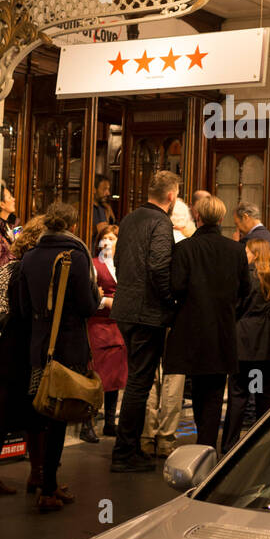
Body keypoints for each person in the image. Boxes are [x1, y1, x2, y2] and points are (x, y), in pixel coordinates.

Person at [17, 200, 100, 511]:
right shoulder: (76, 257)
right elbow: (87, 307)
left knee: (39, 413)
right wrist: (97, 295)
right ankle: (49, 489)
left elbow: (25, 309)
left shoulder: (29, 258)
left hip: (39, 347)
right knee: (59, 417)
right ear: (73, 227)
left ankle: (38, 475)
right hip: (67, 347)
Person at [165, 195, 250, 449]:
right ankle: (206, 446)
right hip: (222, 329)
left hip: (191, 329)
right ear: (222, 218)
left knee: (197, 390)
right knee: (214, 393)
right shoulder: (235, 250)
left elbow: (176, 287)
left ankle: (201, 445)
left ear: (197, 217)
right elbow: (245, 289)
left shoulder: (185, 249)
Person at [109, 170, 179, 472]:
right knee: (139, 382)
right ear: (172, 196)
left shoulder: (130, 218)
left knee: (137, 381)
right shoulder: (161, 222)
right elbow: (159, 266)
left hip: (126, 309)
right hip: (147, 313)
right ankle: (124, 452)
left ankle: (129, 447)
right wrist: (170, 302)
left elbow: (118, 261)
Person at [0, 216, 47, 495]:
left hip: (11, 347)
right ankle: (34, 474)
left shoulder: (18, 267)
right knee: (31, 409)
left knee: (2, 411)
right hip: (23, 347)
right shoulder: (28, 269)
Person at [222, 238, 270, 452]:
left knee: (239, 393)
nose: (244, 254)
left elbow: (236, 307)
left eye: (247, 251)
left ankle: (230, 445)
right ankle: (264, 444)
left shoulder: (246, 277)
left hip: (247, 342)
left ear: (255, 253)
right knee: (265, 393)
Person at [141, 198, 194, 458]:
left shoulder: (150, 235)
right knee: (174, 379)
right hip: (179, 318)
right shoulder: (187, 245)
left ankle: (146, 435)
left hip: (149, 313)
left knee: (150, 377)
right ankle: (165, 439)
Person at [81, 223, 128, 445]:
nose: (107, 242)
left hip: (117, 327)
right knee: (95, 376)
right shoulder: (93, 265)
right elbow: (87, 296)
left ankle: (110, 422)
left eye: (112, 238)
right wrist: (105, 302)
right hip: (98, 326)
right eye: (104, 237)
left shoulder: (123, 265)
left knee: (115, 377)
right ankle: (86, 424)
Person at [233, 202, 270, 270]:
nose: (237, 229)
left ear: (245, 217)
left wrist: (235, 244)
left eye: (237, 224)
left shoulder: (249, 240)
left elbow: (237, 267)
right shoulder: (269, 236)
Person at [0, 182, 16, 269]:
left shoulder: (12, 224)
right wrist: (16, 250)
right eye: (9, 197)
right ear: (2, 204)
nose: (14, 199)